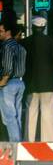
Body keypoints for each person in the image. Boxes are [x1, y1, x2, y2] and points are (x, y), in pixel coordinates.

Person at [22, 16, 53, 142]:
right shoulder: (51, 41)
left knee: (31, 111)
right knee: (48, 111)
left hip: (31, 82)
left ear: (33, 27)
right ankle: (49, 140)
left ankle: (29, 139)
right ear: (44, 28)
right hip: (48, 82)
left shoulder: (25, 42)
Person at [0, 14, 26, 143]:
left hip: (8, 84)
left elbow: (8, 67)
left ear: (8, 32)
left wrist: (2, 81)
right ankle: (19, 142)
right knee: (17, 115)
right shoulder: (21, 47)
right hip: (20, 82)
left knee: (9, 116)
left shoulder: (6, 46)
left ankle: (15, 144)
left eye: (1, 31)